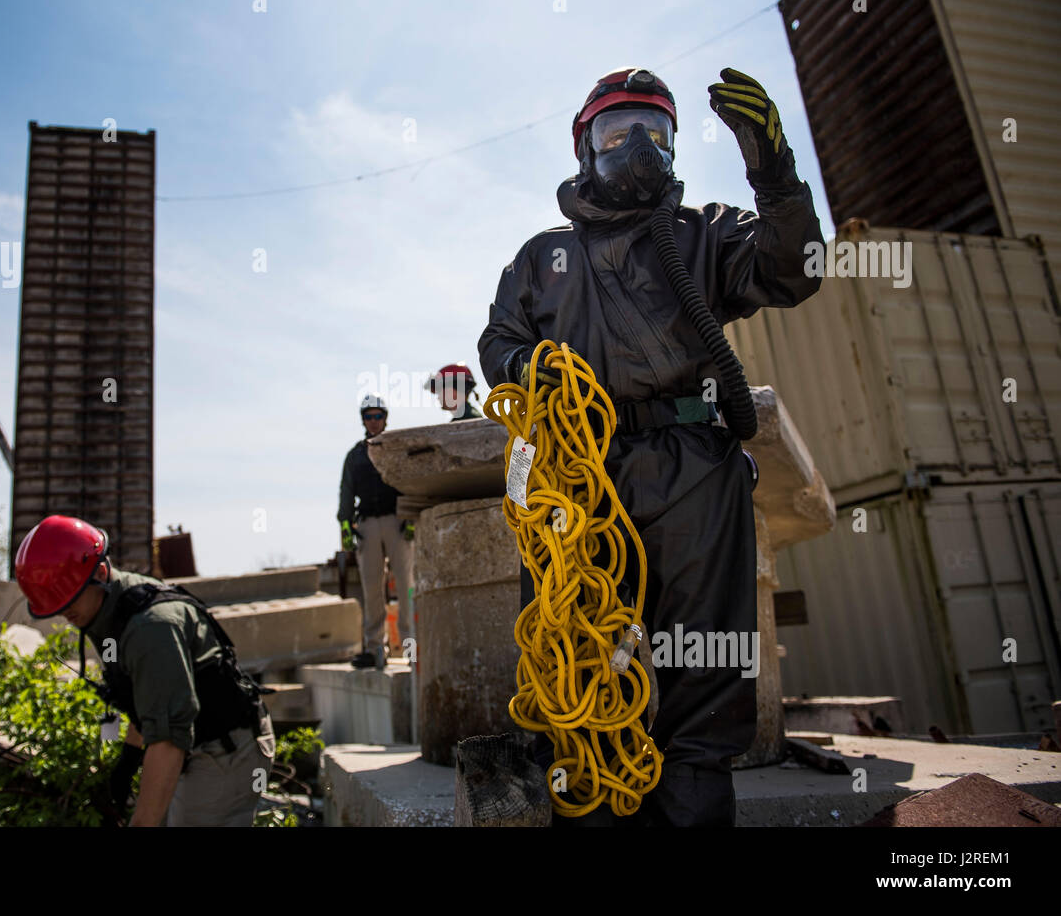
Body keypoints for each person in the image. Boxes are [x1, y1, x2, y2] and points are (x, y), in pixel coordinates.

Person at [478, 67, 824, 826]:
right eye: (615, 131)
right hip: (579, 479)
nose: (637, 146)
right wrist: (527, 366)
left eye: (654, 132)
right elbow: (497, 342)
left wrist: (776, 172)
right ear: (584, 149)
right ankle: (595, 805)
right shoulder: (542, 257)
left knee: (705, 664)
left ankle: (695, 807)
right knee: (586, 651)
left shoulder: (706, 232)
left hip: (696, 470)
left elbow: (797, 270)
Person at [15, 514, 274, 827]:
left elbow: (169, 735)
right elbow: (147, 696)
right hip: (189, 740)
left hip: (226, 747)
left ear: (99, 571)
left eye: (70, 599)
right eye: (57, 606)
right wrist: (129, 758)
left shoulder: (150, 627)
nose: (65, 613)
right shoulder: (102, 606)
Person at [337, 393, 415, 669]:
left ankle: (412, 650)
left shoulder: (396, 448)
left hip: (398, 521)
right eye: (368, 417)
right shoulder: (354, 456)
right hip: (367, 526)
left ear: (385, 418)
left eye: (378, 416)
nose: (373, 421)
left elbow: (409, 483)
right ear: (363, 420)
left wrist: (412, 519)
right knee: (371, 589)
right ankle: (374, 649)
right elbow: (346, 493)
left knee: (407, 587)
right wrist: (345, 526)